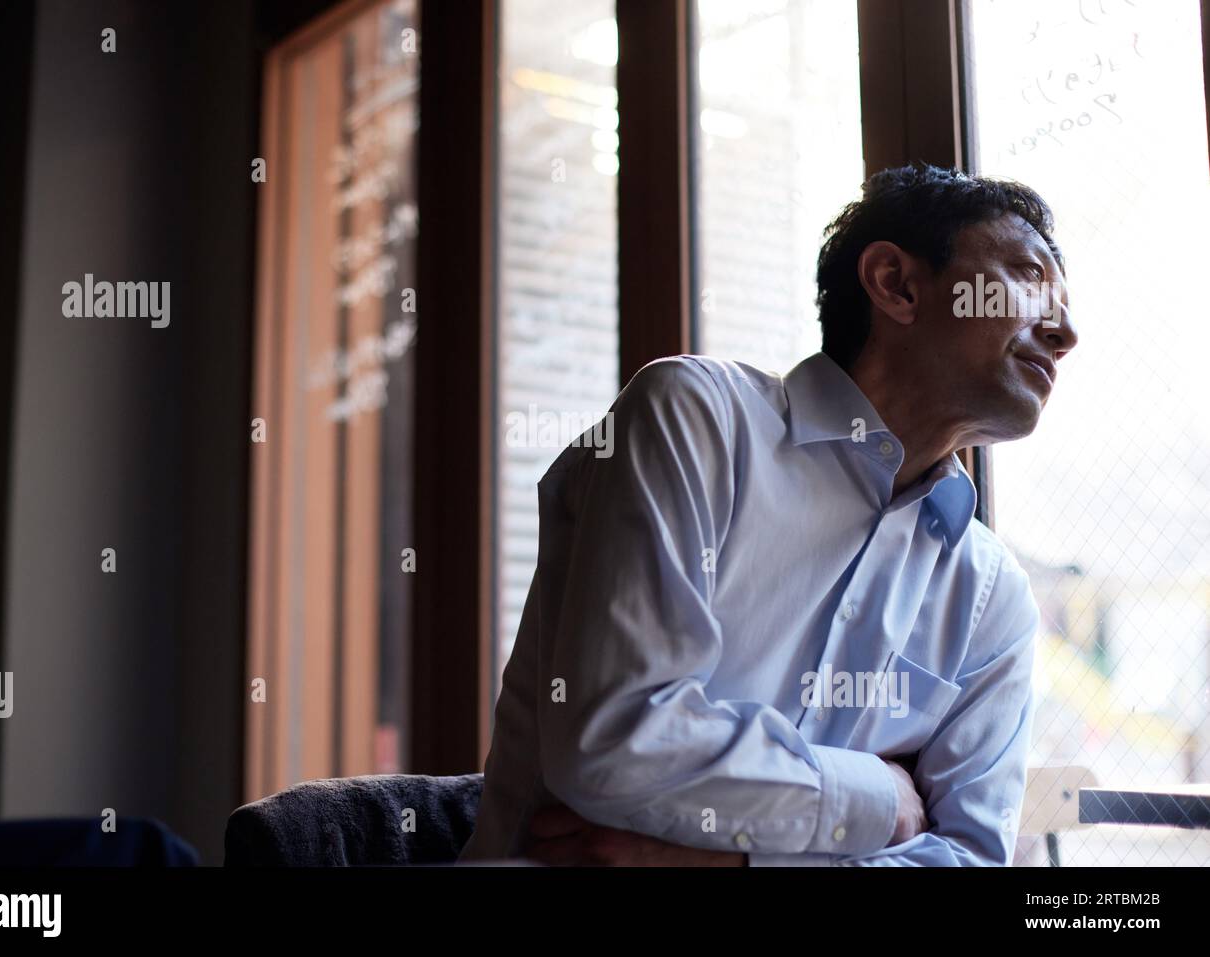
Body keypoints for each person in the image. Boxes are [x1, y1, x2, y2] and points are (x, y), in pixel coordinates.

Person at [458, 163, 1078, 866]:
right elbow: (616, 742)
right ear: (897, 284)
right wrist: (884, 797)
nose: (1066, 332)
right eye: (1030, 280)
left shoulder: (992, 595)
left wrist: (724, 861)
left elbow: (968, 859)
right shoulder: (695, 420)